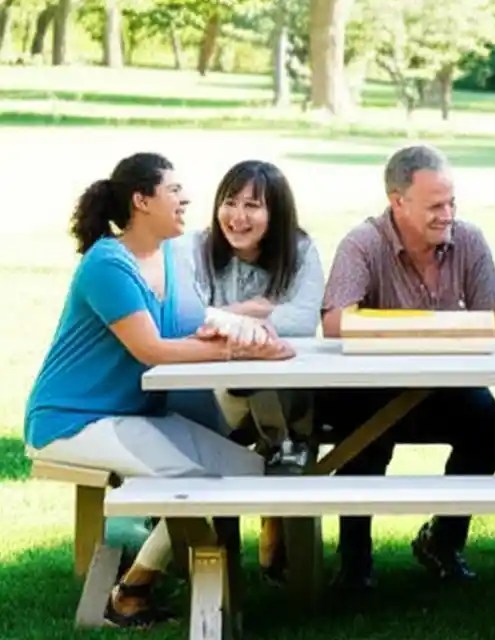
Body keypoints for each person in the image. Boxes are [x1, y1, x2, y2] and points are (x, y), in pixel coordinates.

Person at [24, 152, 293, 627]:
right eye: (174, 190)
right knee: (197, 486)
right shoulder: (107, 263)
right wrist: (239, 354)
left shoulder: (171, 256)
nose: (186, 198)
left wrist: (235, 333)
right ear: (141, 201)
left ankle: (218, 585)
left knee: (247, 469)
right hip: (73, 419)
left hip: (136, 415)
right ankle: (129, 594)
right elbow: (152, 349)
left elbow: (186, 333)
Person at [318, 145, 495, 589]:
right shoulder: (363, 243)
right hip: (371, 385)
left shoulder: (469, 239)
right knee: (362, 439)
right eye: (435, 206)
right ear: (397, 201)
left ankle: (442, 540)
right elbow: (333, 322)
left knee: (489, 429)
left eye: (451, 202)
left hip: (445, 384)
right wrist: (426, 328)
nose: (448, 215)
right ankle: (355, 562)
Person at [184, 160, 325, 469]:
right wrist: (245, 312)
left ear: (277, 214)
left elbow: (302, 322)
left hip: (285, 393)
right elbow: (186, 320)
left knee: (289, 462)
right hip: (210, 389)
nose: (238, 217)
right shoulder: (195, 247)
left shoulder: (300, 251)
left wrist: (220, 319)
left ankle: (286, 458)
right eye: (230, 203)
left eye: (252, 205)